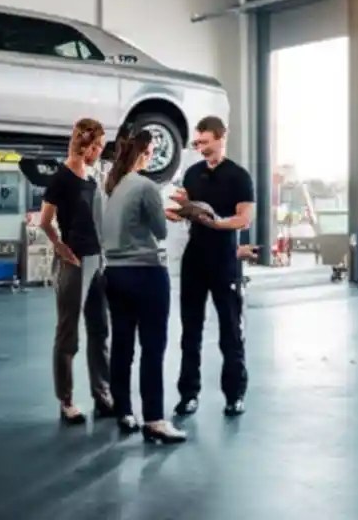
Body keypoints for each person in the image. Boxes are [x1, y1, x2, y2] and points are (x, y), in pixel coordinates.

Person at [100, 128, 187, 444]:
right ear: (147, 153)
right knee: (153, 347)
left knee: (122, 345)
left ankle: (124, 410)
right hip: (146, 274)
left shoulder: (115, 187)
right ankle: (154, 420)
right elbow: (161, 231)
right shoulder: (147, 186)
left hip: (115, 274)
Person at [168, 116, 255, 418]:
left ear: (222, 137)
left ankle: (234, 395)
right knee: (190, 331)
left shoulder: (239, 177)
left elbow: (244, 219)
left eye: (206, 142)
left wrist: (217, 223)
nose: (201, 148)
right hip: (195, 259)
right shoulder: (192, 174)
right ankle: (188, 395)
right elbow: (190, 210)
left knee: (230, 329)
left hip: (224, 260)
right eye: (198, 143)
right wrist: (180, 211)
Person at [39, 118, 113, 426]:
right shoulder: (62, 178)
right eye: (97, 146)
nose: (99, 152)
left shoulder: (91, 178)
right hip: (75, 262)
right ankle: (66, 401)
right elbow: (44, 221)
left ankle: (103, 392)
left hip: (97, 260)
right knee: (68, 333)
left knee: (100, 329)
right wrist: (60, 247)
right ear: (85, 145)